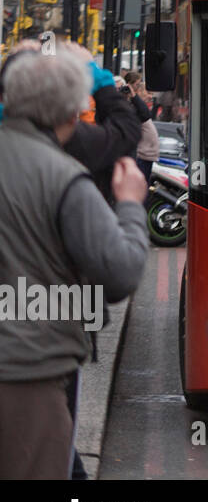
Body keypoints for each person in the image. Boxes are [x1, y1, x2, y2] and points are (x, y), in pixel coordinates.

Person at [0, 48, 149, 479]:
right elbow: (120, 273)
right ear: (69, 110)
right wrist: (130, 206)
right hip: (31, 374)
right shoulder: (64, 177)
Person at [124, 71, 160, 180]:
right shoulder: (132, 106)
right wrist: (133, 97)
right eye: (148, 93)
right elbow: (145, 114)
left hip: (145, 157)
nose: (150, 97)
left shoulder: (138, 106)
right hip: (140, 157)